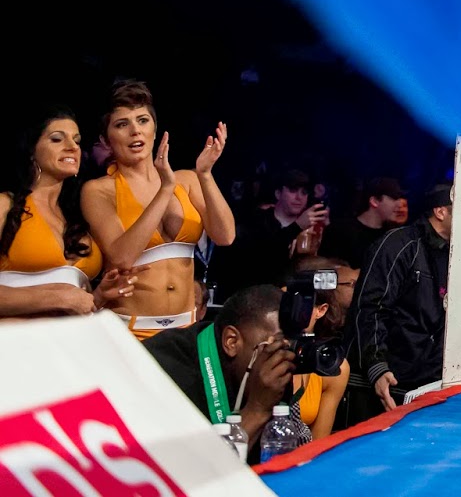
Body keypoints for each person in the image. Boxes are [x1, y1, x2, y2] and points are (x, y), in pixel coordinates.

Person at [82, 81, 235, 339]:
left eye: (142, 121)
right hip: (130, 330)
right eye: (122, 124)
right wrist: (165, 188)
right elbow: (122, 258)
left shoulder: (187, 179)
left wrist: (205, 174)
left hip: (186, 329)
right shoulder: (98, 191)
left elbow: (225, 236)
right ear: (106, 139)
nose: (135, 131)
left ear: (154, 129)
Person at [1, 110, 140, 317]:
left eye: (77, 141)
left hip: (73, 342)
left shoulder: (78, 214)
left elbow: (79, 304)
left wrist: (99, 296)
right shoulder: (6, 204)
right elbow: (65, 300)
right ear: (31, 150)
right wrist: (58, 297)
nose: (72, 147)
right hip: (18, 344)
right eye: (57, 139)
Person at [143, 285, 295, 459]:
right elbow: (193, 474)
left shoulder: (275, 369)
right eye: (278, 342)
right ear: (232, 341)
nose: (286, 354)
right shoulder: (163, 371)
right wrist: (258, 409)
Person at [344, 182, 452, 422]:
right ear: (441, 211)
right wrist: (377, 366)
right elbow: (371, 307)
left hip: (431, 384)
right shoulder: (400, 244)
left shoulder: (460, 254)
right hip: (391, 379)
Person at [214, 168, 328, 301]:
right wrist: (296, 227)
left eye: (304, 192)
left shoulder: (310, 229)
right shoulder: (258, 220)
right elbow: (261, 255)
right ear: (278, 193)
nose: (299, 197)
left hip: (292, 299)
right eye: (292, 190)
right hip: (253, 297)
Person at [282, 255, 351, 440]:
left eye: (305, 302)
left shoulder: (333, 367)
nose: (294, 308)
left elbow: (317, 445)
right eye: (289, 298)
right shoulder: (263, 352)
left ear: (321, 310)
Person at [320, 176, 406, 270]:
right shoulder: (338, 231)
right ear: (374, 201)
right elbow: (323, 271)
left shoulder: (393, 237)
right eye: (394, 198)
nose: (400, 204)